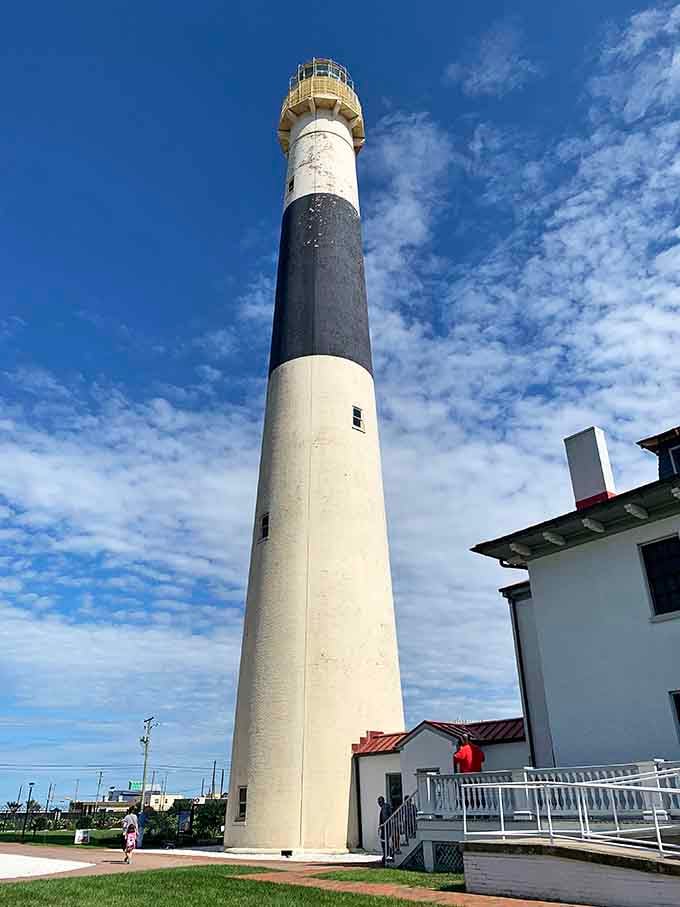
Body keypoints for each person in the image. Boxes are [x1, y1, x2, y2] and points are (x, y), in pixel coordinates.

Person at [377, 795, 392, 865]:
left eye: (380, 802)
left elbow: (388, 817)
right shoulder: (383, 808)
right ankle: (386, 854)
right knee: (383, 842)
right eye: (378, 802)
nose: (379, 803)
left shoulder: (386, 807)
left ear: (383, 801)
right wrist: (380, 826)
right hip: (384, 828)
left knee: (385, 842)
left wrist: (385, 824)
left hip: (387, 827)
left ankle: (388, 854)